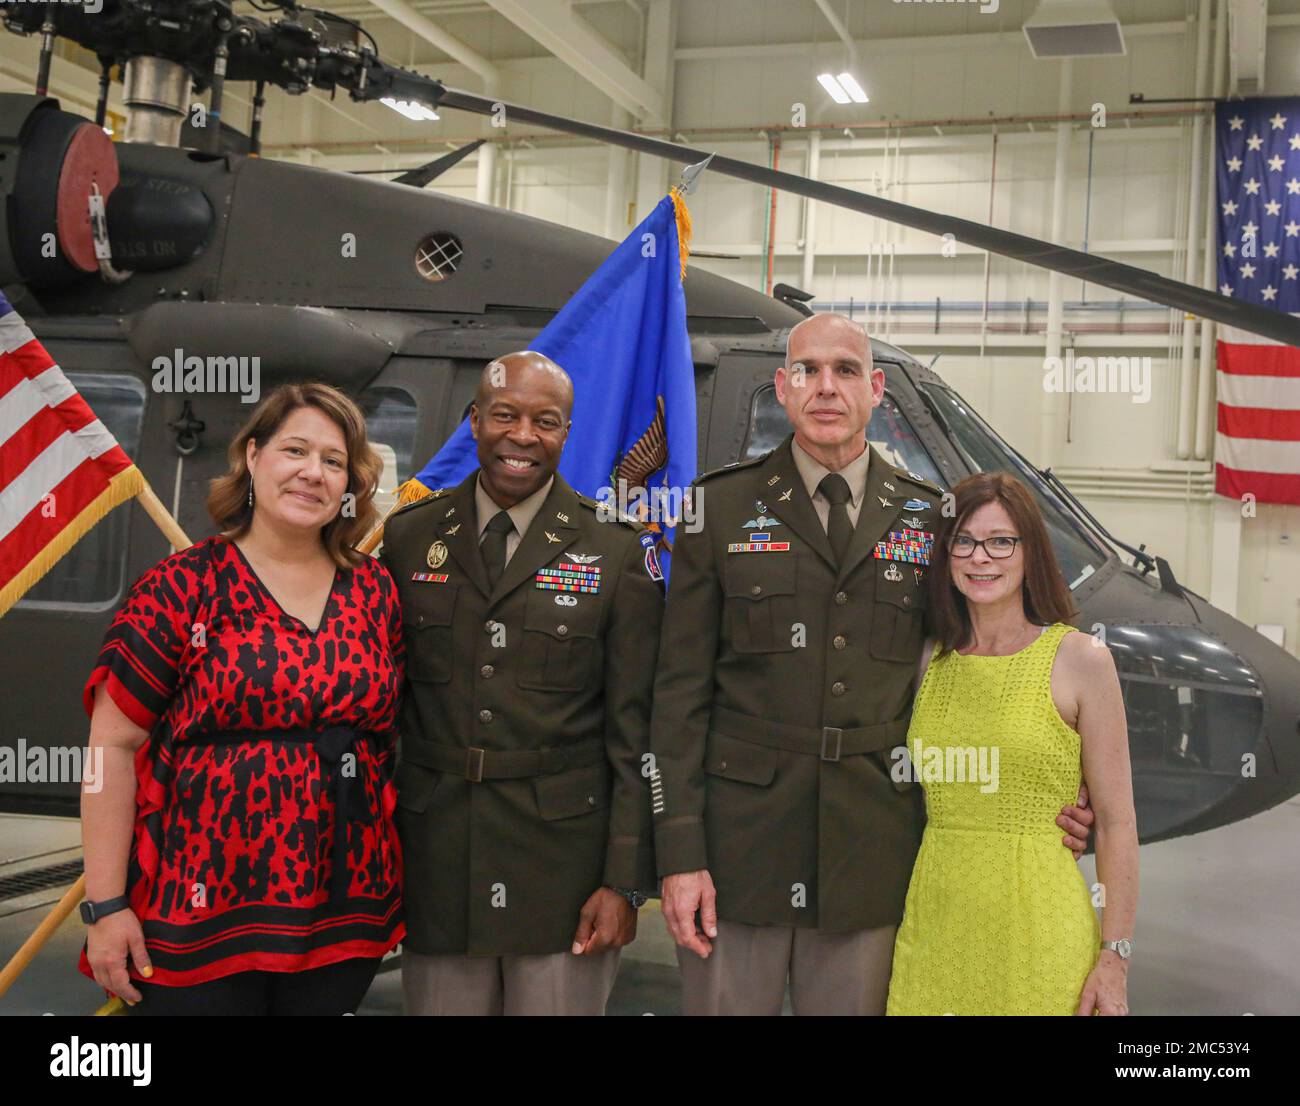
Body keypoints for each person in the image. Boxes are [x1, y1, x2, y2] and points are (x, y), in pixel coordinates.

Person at [650, 313, 1094, 1015]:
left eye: (846, 370)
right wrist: (678, 854)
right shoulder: (719, 510)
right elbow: (676, 698)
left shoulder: (930, 522)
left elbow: (980, 671)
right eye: (808, 371)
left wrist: (1058, 804)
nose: (826, 387)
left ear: (877, 389)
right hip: (738, 854)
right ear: (782, 388)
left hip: (872, 853)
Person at [80, 382, 405, 1016]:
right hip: (198, 909)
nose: (313, 472)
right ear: (253, 457)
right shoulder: (180, 587)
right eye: (295, 450)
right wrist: (106, 906)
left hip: (345, 910)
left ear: (350, 485)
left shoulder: (376, 593)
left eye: (334, 461)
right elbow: (110, 750)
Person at [380, 351, 662, 1016]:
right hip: (439, 864)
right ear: (474, 420)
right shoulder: (409, 539)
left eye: (547, 421)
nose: (523, 435)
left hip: (562, 875)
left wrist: (624, 884)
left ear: (567, 433)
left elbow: (636, 734)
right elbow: (387, 710)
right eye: (505, 415)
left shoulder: (614, 549)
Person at [886, 472, 1138, 1016]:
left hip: (1040, 929)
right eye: (965, 541)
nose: (982, 558)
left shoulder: (1080, 660)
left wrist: (1114, 960)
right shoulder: (929, 659)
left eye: (1002, 541)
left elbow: (1117, 822)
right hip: (936, 922)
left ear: (1031, 552)